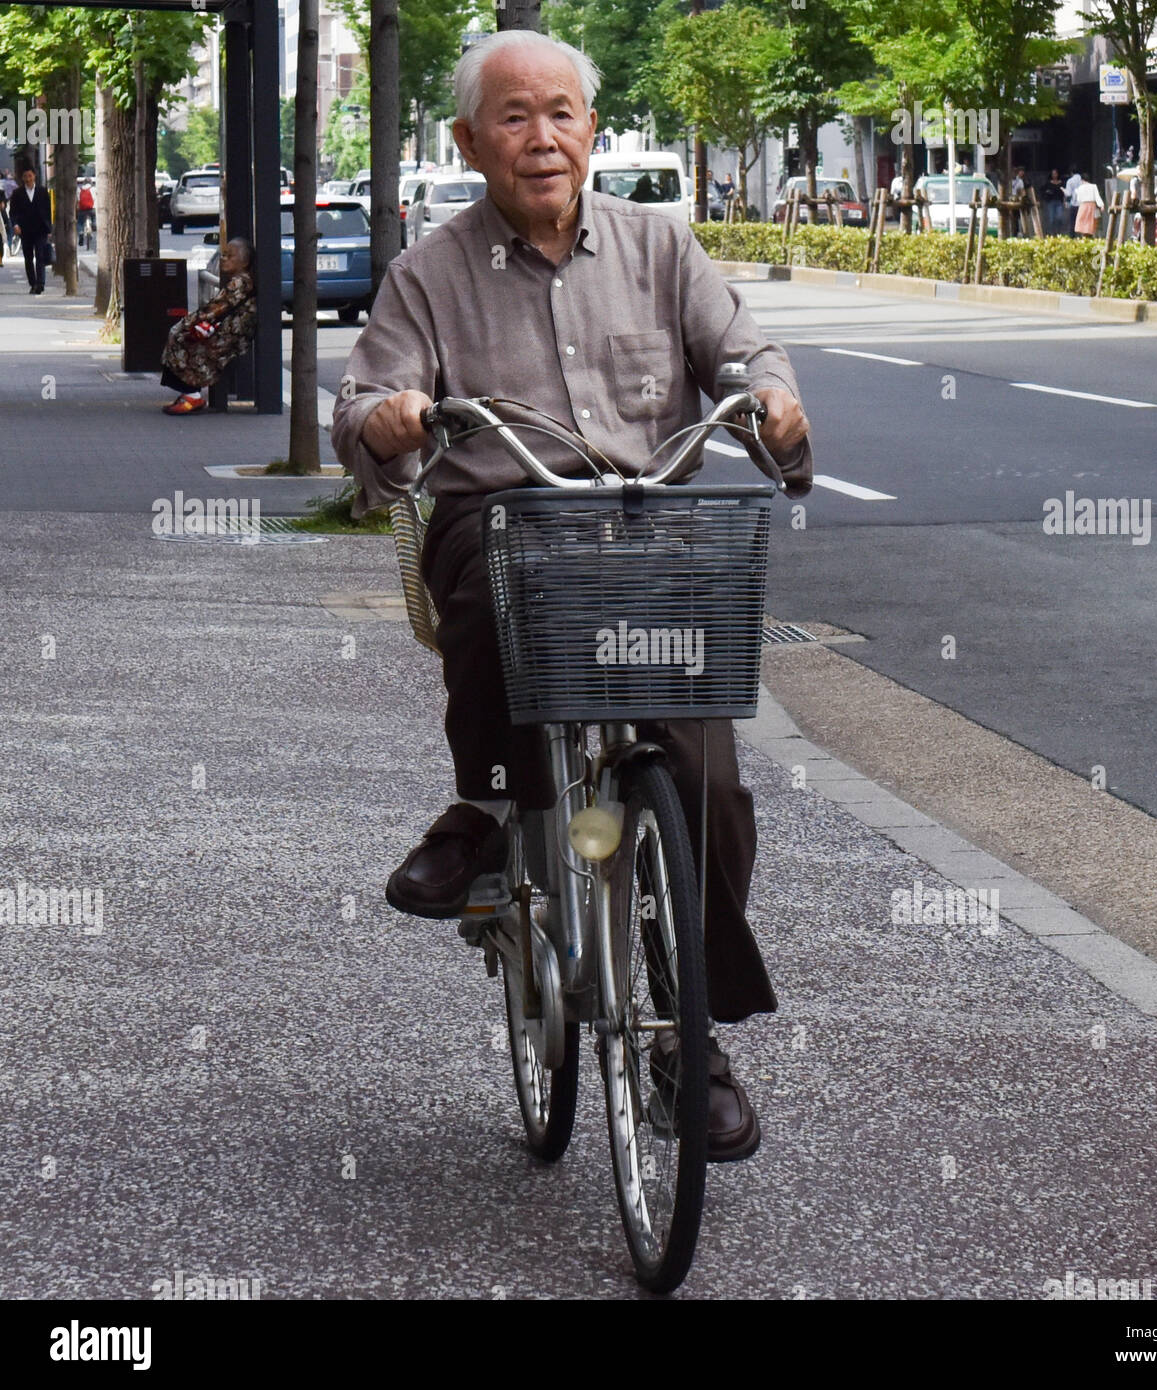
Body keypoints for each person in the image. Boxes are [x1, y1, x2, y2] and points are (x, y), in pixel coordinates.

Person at [332, 28, 812, 1164]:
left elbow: (747, 356)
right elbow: (366, 406)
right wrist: (389, 419)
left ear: (591, 128)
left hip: (650, 536)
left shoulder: (660, 245)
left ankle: (685, 1039)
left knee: (707, 784)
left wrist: (774, 404)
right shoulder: (428, 272)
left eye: (560, 112)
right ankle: (492, 811)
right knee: (503, 580)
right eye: (512, 116)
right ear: (468, 140)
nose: (539, 137)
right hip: (505, 523)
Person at [159, 238, 256, 414]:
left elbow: (215, 309)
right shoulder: (241, 281)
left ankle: (192, 394)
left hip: (230, 335)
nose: (224, 258)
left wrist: (188, 322)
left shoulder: (239, 283)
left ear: (245, 261)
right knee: (180, 333)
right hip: (231, 330)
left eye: (230, 256)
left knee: (180, 336)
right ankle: (190, 392)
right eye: (223, 254)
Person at [10, 167, 53, 294]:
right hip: (25, 230)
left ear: (34, 176)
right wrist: (15, 225)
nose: (28, 179)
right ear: (22, 178)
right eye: (25, 176)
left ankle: (40, 283)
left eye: (30, 176)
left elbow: (47, 210)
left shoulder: (42, 191)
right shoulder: (17, 193)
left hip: (40, 229)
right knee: (28, 258)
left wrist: (49, 228)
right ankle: (33, 283)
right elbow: (13, 212)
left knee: (40, 256)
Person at [1072, 172, 1105, 237]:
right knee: (1091, 223)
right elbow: (1097, 197)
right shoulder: (1093, 186)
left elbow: (1079, 199)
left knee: (1083, 223)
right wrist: (1101, 205)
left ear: (1082, 180)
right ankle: (1091, 236)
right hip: (1092, 206)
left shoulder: (1080, 188)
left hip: (1083, 206)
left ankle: (1084, 237)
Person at [1042, 167, 1066, 234]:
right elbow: (1043, 190)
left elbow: (1064, 192)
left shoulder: (1061, 183)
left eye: (1055, 173)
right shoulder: (1048, 183)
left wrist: (1064, 200)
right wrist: (1047, 192)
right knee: (1051, 219)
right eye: (1053, 174)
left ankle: (1058, 231)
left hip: (1059, 202)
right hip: (1051, 202)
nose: (1054, 175)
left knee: (1059, 217)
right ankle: (1051, 232)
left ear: (1057, 174)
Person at [1064, 165, 1082, 237]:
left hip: (1074, 204)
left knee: (1072, 222)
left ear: (1071, 172)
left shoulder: (1070, 181)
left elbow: (1068, 194)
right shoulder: (1082, 180)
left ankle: (1072, 237)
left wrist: (1063, 190)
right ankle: (1082, 237)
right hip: (1082, 204)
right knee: (1082, 221)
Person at [76, 180, 94, 247]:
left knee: (80, 222)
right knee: (94, 217)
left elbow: (78, 200)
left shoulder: (79, 189)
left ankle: (80, 232)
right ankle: (94, 224)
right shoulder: (93, 189)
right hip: (91, 209)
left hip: (82, 210)